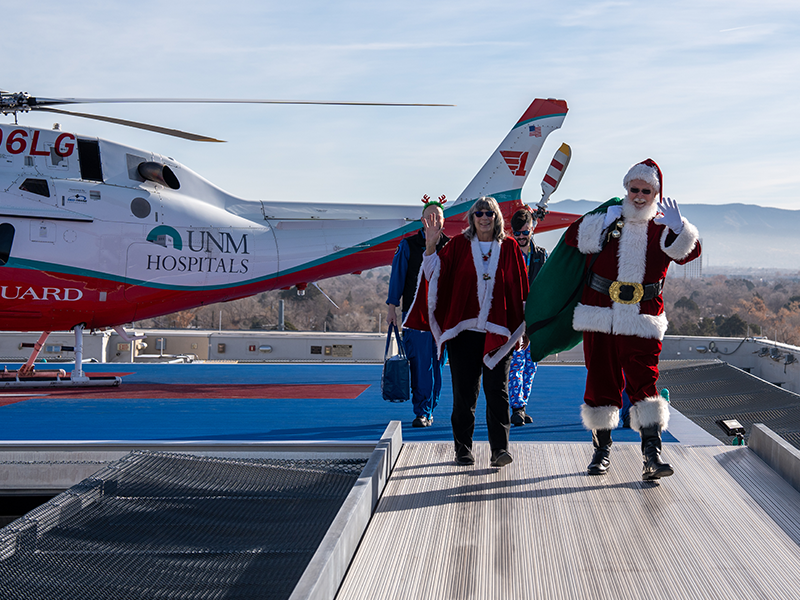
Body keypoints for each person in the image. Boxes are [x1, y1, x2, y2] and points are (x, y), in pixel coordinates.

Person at [564, 159, 701, 480]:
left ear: (656, 193)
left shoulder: (664, 226)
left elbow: (689, 252)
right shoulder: (609, 220)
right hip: (601, 313)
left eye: (646, 190)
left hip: (643, 317)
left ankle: (652, 455)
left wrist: (681, 229)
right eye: (634, 189)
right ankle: (601, 452)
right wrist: (598, 221)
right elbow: (573, 239)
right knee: (601, 381)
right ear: (626, 189)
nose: (639, 196)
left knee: (645, 384)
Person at [404, 197, 529, 467]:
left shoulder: (508, 247)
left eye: (489, 214)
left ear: (497, 218)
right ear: (472, 218)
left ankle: (500, 450)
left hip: (499, 333)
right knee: (464, 394)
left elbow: (520, 290)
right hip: (464, 333)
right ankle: (463, 449)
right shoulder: (458, 246)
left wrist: (522, 328)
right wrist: (431, 244)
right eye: (479, 213)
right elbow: (434, 274)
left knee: (498, 391)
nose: (484, 218)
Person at [386, 196, 450, 427]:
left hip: (443, 319)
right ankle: (422, 411)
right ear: (422, 220)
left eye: (438, 217)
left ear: (444, 221)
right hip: (415, 317)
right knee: (421, 365)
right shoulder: (408, 245)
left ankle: (430, 406)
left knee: (437, 366)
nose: (433, 221)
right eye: (429, 217)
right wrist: (392, 308)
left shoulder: (451, 246)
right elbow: (397, 277)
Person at [508, 208, 547, 426]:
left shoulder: (542, 255)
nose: (521, 237)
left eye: (525, 233)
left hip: (536, 317)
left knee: (531, 364)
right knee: (516, 363)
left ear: (532, 230)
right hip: (514, 318)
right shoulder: (508, 254)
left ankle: (523, 403)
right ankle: (517, 408)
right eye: (517, 234)